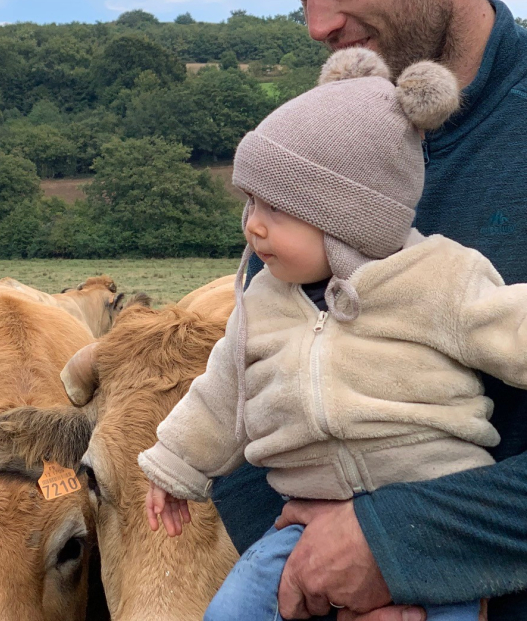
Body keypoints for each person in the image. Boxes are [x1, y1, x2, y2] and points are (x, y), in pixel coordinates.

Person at [210, 0, 527, 621]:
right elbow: (250, 385)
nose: (317, 22)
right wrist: (315, 578)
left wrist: (400, 548)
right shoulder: (318, 147)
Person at [139, 45, 527, 620]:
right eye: (249, 201)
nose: (254, 224)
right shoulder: (262, 301)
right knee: (227, 612)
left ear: (349, 217)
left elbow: (509, 325)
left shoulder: (439, 278)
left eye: (277, 206)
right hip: (306, 524)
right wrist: (175, 466)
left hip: (437, 526)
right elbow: (223, 394)